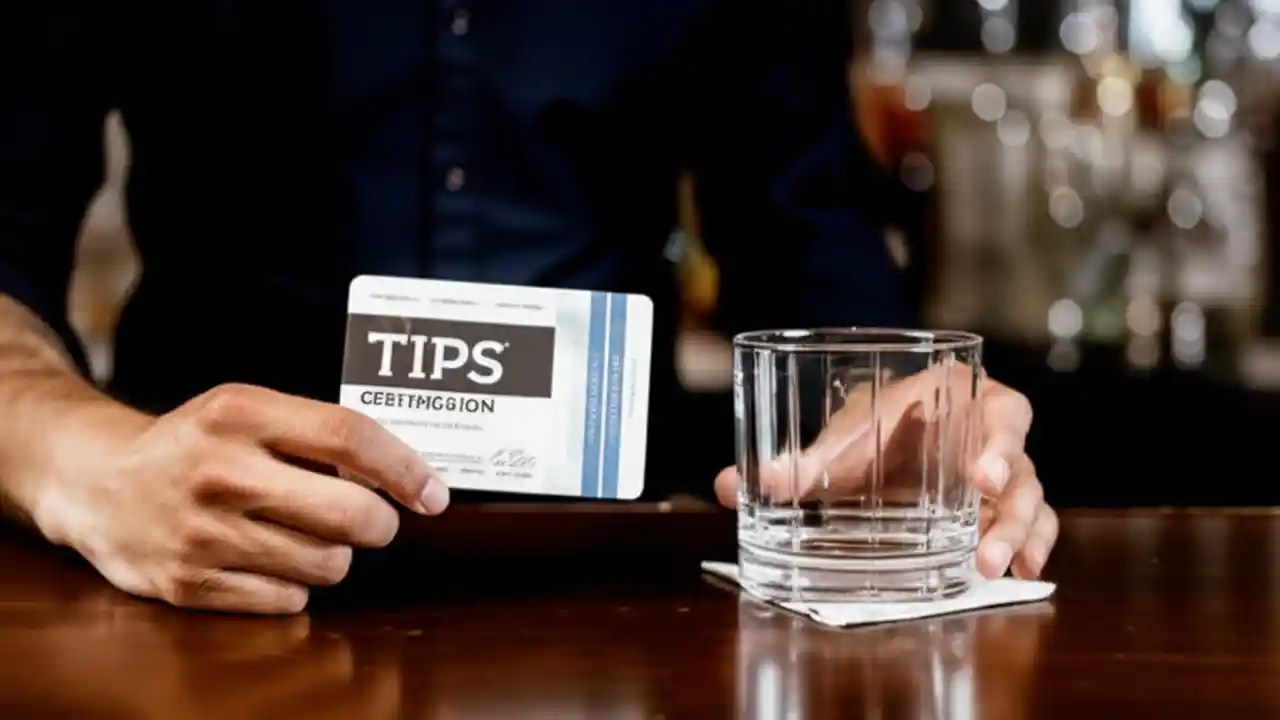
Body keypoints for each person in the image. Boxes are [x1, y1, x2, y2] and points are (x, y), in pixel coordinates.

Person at [0, 1, 1057, 614]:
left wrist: (920, 436)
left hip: (610, 598)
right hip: (192, 584)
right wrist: (75, 462)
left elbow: (810, 246)